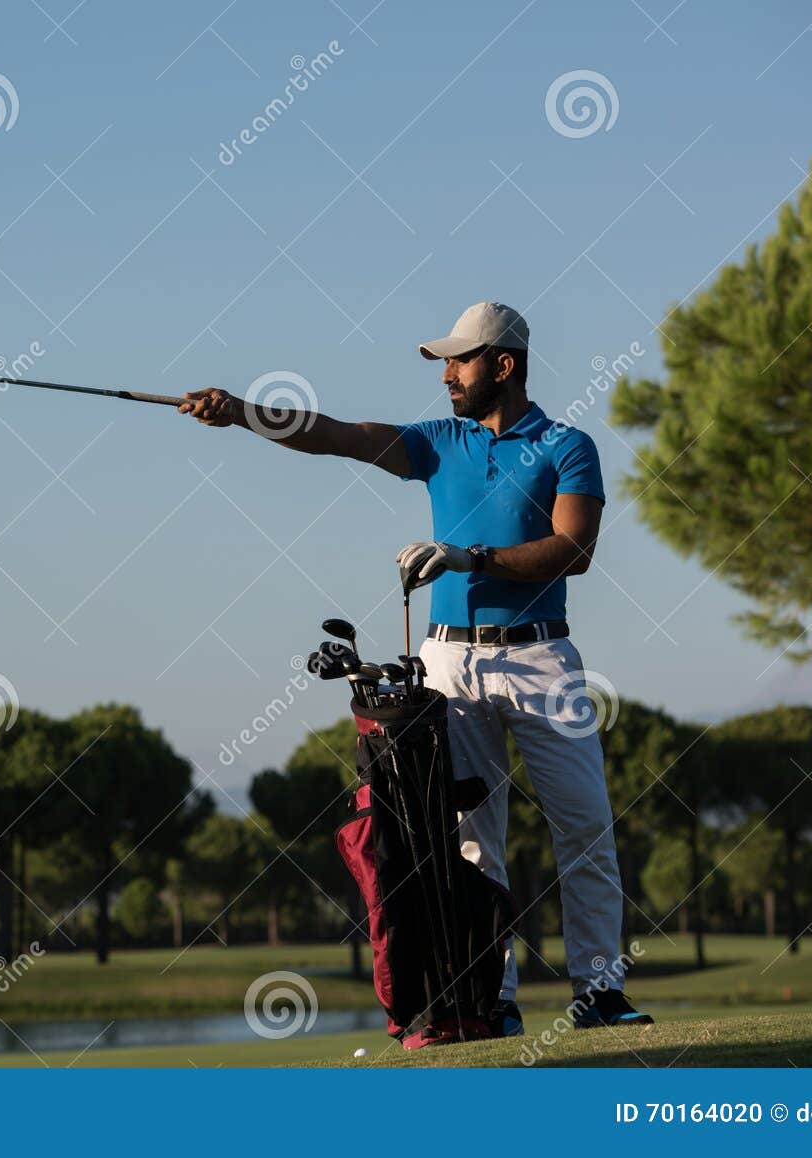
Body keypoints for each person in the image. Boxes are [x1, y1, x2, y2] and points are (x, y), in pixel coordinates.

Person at [179, 301, 652, 1036]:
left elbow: (574, 550)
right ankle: (491, 998)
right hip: (448, 662)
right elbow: (338, 435)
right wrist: (241, 412)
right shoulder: (438, 443)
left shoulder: (567, 445)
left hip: (542, 658)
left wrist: (470, 558)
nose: (447, 375)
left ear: (503, 364)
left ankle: (599, 992)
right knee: (469, 837)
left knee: (585, 828)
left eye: (460, 360)